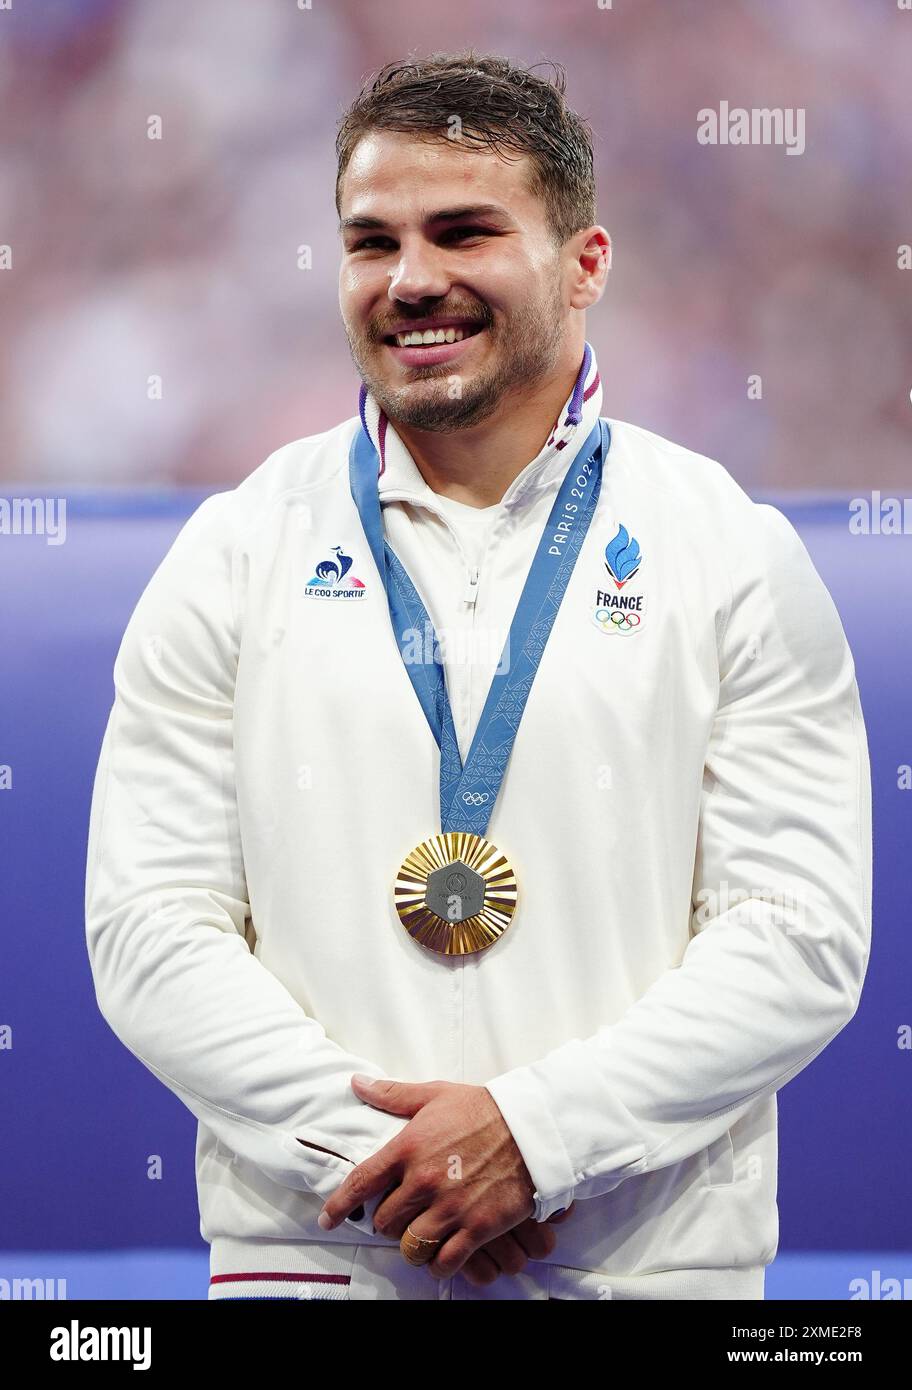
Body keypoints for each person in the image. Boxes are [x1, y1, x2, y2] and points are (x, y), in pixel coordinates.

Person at [84, 51, 872, 1302]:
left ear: (586, 263)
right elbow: (148, 929)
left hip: (634, 1265)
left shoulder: (728, 549)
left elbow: (799, 938)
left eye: (464, 231)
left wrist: (540, 1138)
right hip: (320, 1255)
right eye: (369, 241)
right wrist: (400, 1164)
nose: (410, 281)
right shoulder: (235, 551)